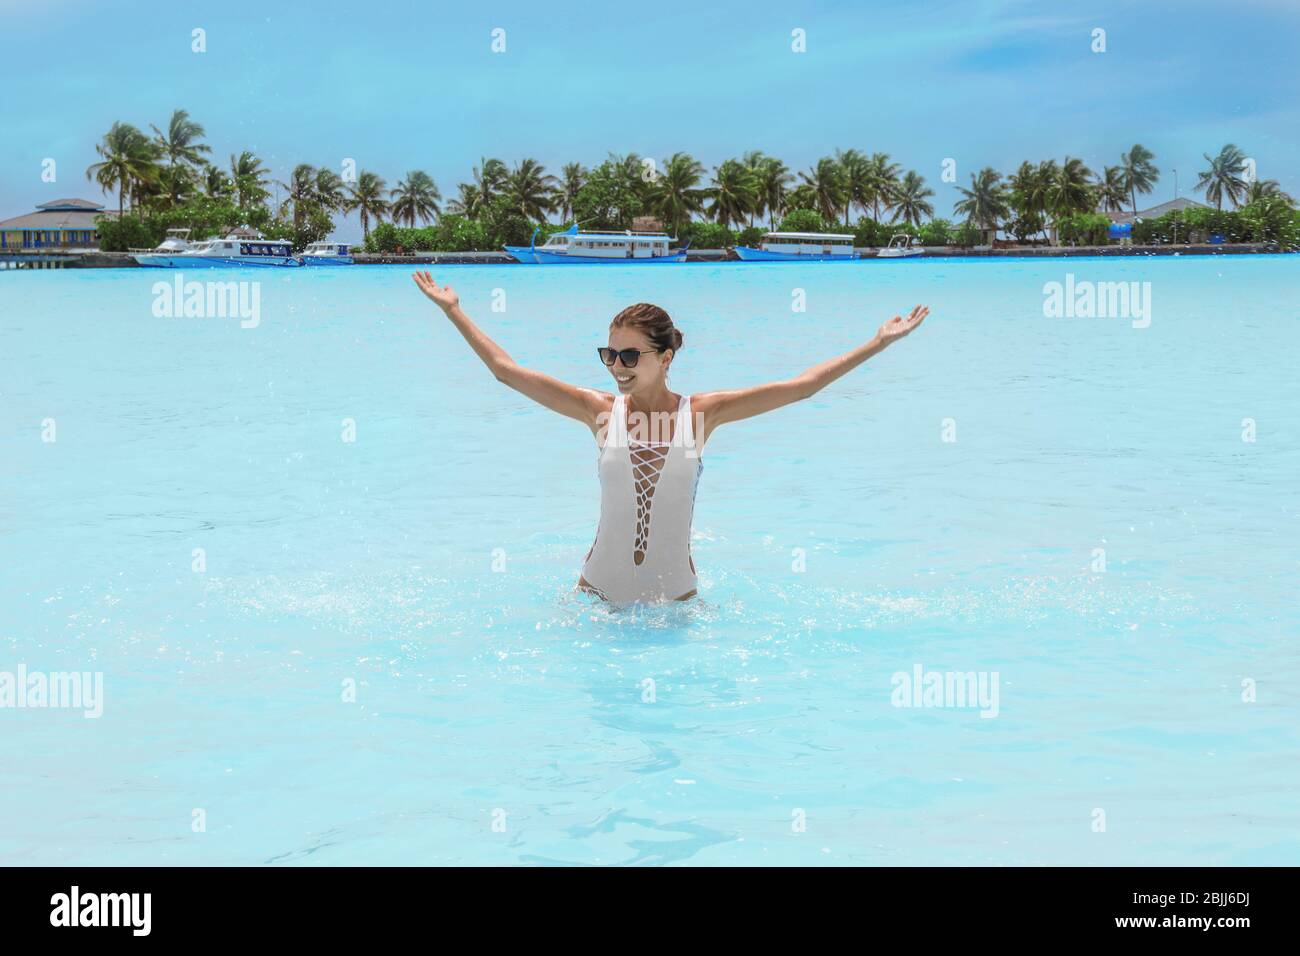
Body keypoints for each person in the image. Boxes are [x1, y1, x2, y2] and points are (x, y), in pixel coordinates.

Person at [412, 272, 927, 603]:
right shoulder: (597, 412)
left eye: (631, 356)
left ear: (666, 358)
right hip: (596, 604)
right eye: (609, 355)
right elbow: (507, 371)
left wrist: (877, 344)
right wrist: (453, 310)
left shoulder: (702, 415)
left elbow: (801, 388)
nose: (618, 366)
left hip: (676, 608)